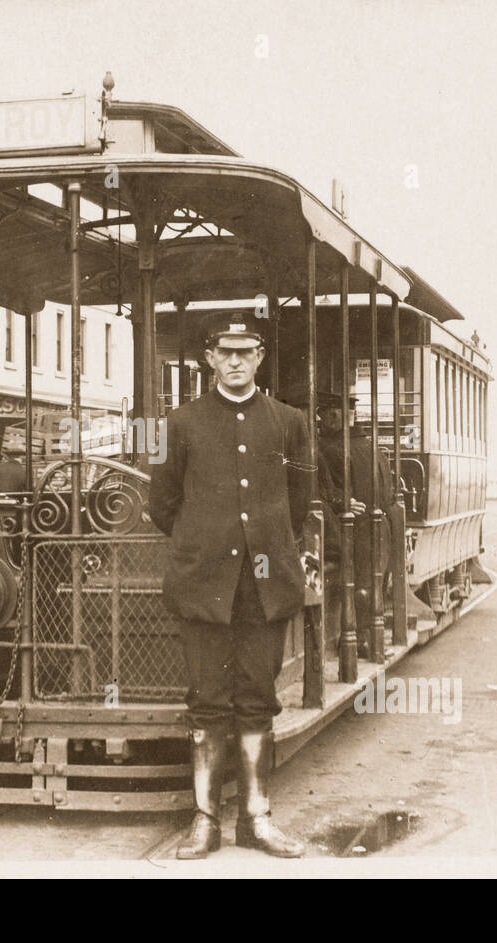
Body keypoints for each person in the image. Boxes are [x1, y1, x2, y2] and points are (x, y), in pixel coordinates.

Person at [149, 319, 311, 859]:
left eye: (246, 352)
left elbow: (303, 501)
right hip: (203, 586)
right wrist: (205, 544)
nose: (236, 361)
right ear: (209, 358)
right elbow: (161, 503)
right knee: (207, 703)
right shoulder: (179, 423)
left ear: (260, 356)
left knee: (258, 700)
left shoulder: (289, 423)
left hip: (264, 587)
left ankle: (257, 819)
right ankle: (205, 821)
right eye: (226, 352)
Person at [316, 392, 396, 650]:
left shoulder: (331, 450)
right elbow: (389, 495)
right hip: (380, 525)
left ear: (333, 417)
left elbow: (329, 492)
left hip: (354, 529)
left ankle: (354, 641)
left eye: (325, 414)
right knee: (373, 582)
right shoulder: (372, 447)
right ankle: (369, 637)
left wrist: (342, 505)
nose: (320, 419)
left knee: (355, 583)